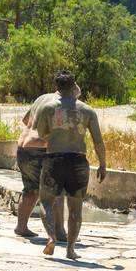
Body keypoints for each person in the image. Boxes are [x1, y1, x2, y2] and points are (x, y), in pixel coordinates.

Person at [34, 71, 107, 260]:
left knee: (46, 201)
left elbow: (41, 134)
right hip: (78, 160)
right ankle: (71, 249)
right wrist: (103, 164)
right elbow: (98, 142)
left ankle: (51, 237)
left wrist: (57, 132)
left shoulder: (48, 108)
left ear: (56, 87)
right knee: (75, 208)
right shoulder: (87, 110)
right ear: (74, 85)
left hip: (54, 158)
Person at [15, 88, 66, 241]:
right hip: (39, 149)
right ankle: (59, 233)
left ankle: (21, 227)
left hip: (23, 147)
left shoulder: (42, 97)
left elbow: (25, 120)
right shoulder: (62, 104)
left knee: (30, 190)